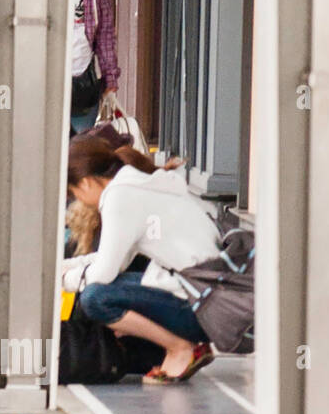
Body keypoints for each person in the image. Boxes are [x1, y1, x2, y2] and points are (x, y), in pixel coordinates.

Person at [62, 135, 221, 384]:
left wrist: (64, 280)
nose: (78, 200)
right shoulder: (140, 186)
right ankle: (181, 346)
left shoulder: (119, 197)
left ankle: (180, 348)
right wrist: (65, 269)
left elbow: (103, 275)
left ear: (84, 183)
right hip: (207, 299)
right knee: (104, 288)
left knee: (96, 298)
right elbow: (114, 260)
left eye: (73, 193)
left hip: (200, 307)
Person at [69, 0, 120, 134]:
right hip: (46, 81)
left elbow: (105, 35)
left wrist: (110, 78)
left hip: (84, 80)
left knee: (81, 149)